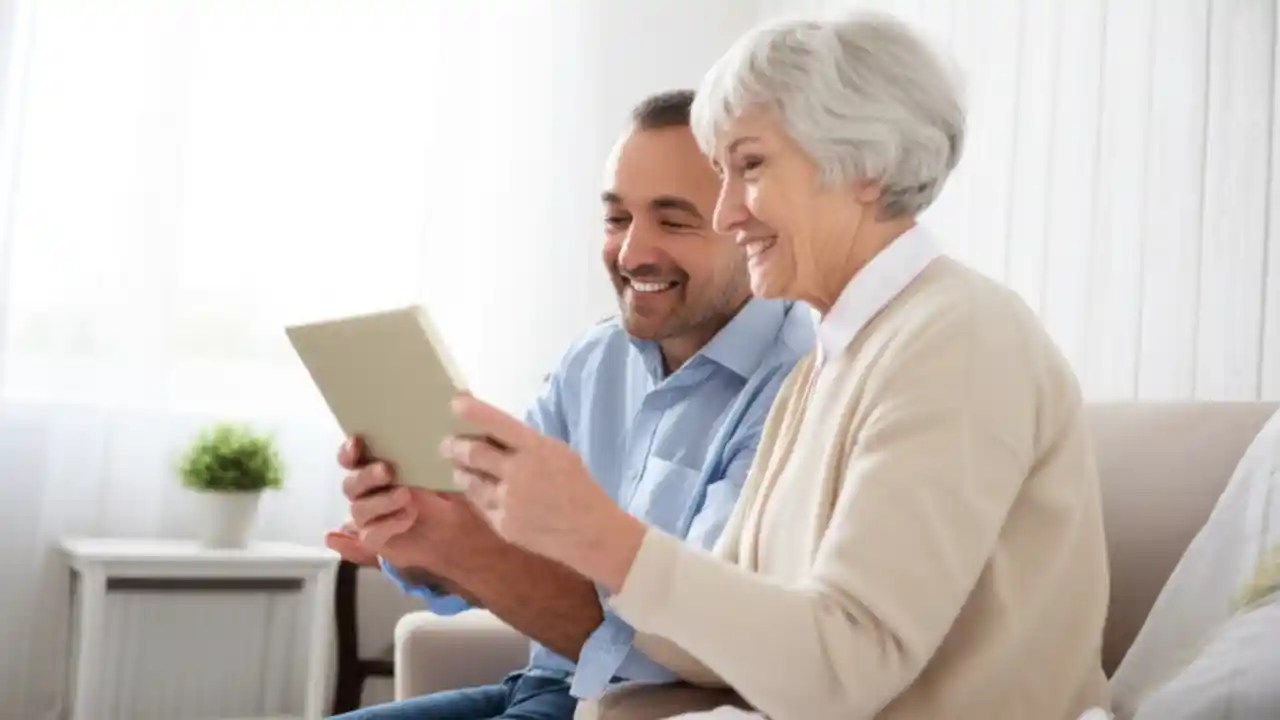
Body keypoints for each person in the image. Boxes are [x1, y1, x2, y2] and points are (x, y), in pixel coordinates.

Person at [441, 14, 1110, 720]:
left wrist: (599, 534)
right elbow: (721, 639)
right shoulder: (831, 362)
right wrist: (532, 534)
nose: (726, 213)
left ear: (865, 165)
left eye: (750, 167)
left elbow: (845, 666)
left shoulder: (961, 338)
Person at [326, 89, 815, 720]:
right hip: (547, 685)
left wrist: (466, 551)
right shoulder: (594, 361)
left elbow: (690, 653)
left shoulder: (798, 387)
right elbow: (515, 558)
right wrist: (420, 540)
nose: (633, 253)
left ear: (749, 226)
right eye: (617, 219)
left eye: (674, 221)